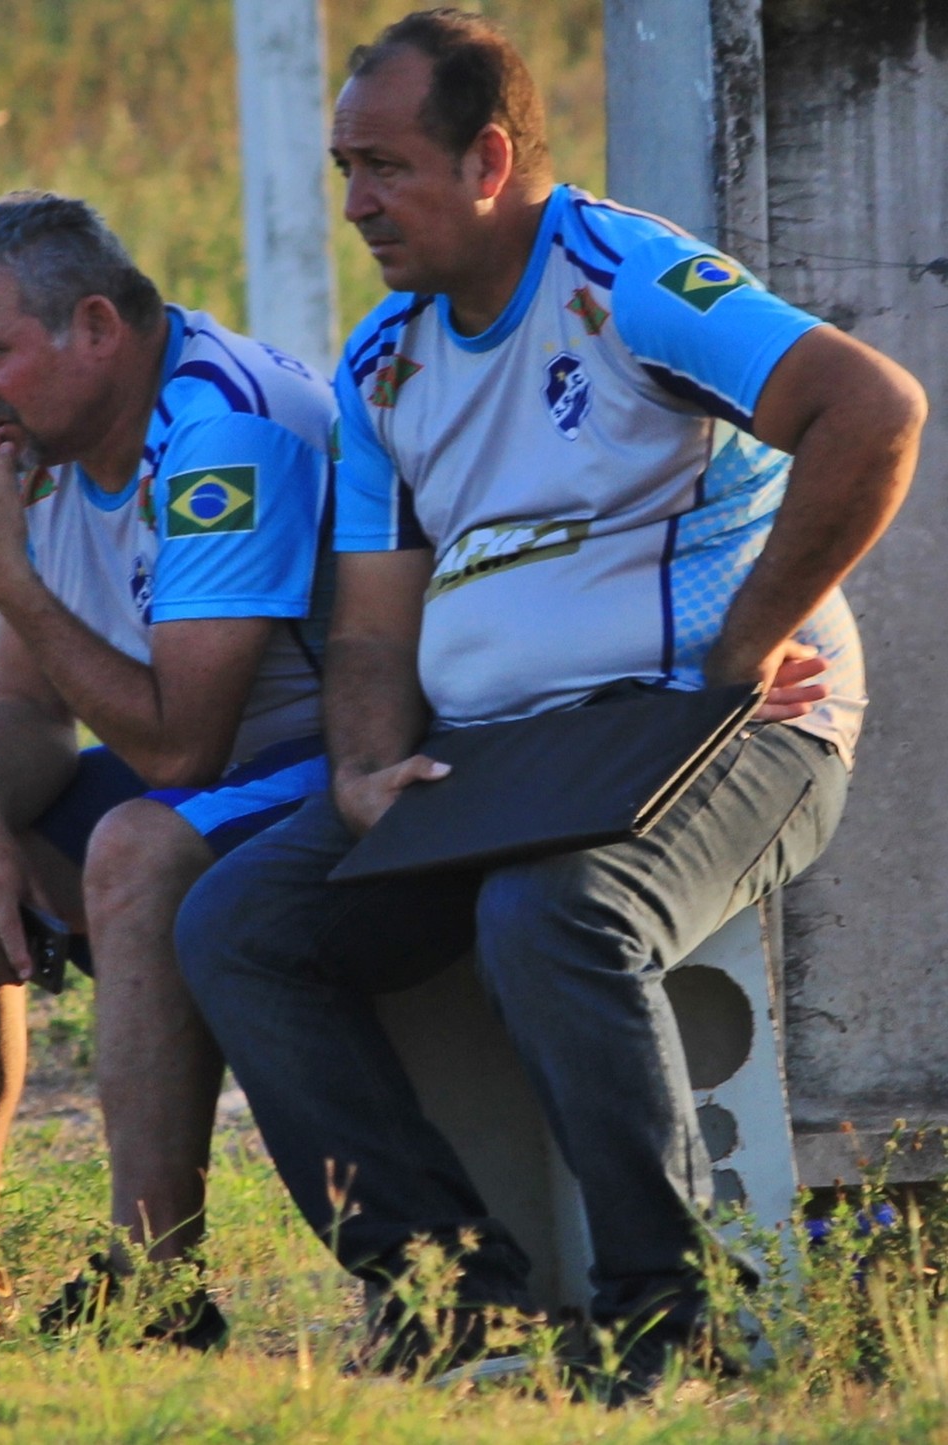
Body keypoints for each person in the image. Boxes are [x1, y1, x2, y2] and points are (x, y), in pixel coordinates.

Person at [174, 8, 927, 1393]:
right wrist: (366, 772)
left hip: (721, 724)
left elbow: (872, 410)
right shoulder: (384, 359)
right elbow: (372, 625)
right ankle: (458, 1301)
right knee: (240, 920)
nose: (356, 205)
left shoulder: (625, 273)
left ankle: (663, 1319)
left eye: (385, 167)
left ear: (490, 157)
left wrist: (748, 643)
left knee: (555, 912)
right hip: (504, 758)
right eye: (344, 168)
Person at [0, 192, 334, 1345]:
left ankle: (157, 1283)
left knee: (137, 847)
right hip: (209, 771)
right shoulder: (55, 444)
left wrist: (9, 576)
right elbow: (29, 704)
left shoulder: (220, 428)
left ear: (95, 326)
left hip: (335, 767)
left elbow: (181, 745)